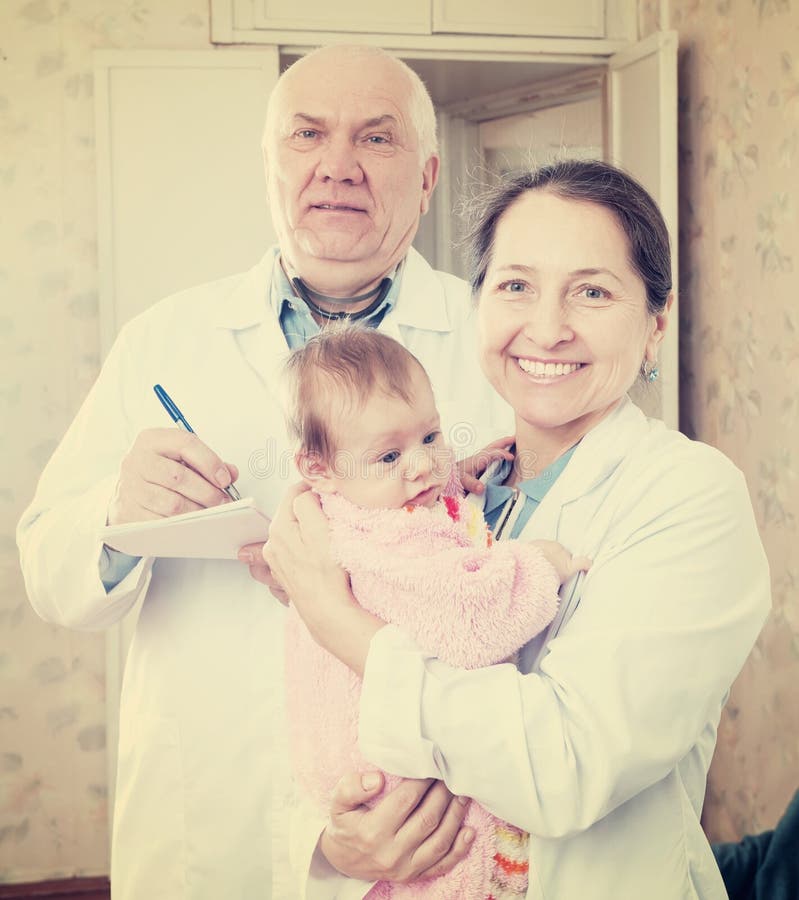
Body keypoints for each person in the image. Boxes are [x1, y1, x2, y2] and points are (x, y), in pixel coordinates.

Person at [16, 45, 512, 899]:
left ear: (427, 175)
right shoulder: (164, 340)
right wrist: (112, 513)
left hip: (416, 816)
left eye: (376, 139)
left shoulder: (493, 342)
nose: (337, 166)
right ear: (270, 162)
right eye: (307, 135)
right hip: (211, 812)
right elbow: (48, 574)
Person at [263, 159, 772, 900]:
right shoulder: (432, 496)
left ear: (655, 326)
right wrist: (339, 843)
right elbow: (318, 713)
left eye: (591, 292)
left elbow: (562, 768)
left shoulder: (689, 496)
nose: (546, 327)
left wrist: (334, 617)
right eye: (515, 286)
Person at [282, 326, 587, 899]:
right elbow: (471, 624)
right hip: (399, 784)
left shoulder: (350, 506)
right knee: (459, 870)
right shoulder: (383, 545)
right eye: (391, 454)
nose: (421, 465)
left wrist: (450, 473)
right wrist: (539, 566)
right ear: (317, 468)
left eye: (431, 436)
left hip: (373, 776)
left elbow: (412, 489)